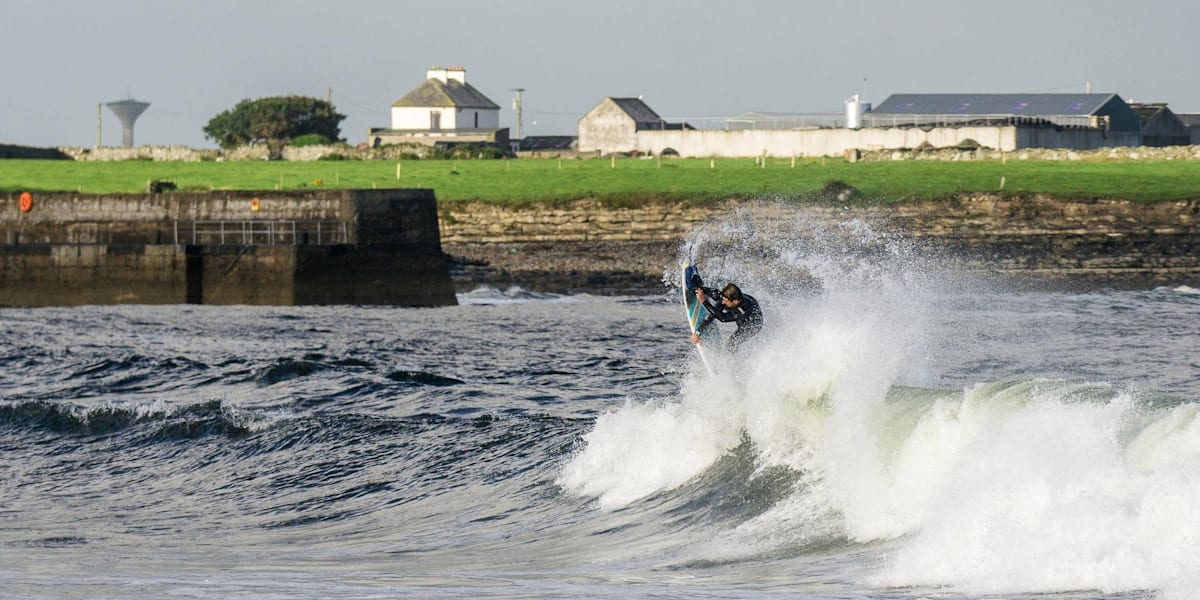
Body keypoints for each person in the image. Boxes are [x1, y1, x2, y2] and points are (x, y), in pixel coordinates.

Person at [690, 282, 763, 352]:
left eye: (725, 300)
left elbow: (723, 318)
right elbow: (715, 299)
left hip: (752, 325)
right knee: (718, 304)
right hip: (735, 306)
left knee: (731, 343)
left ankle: (728, 360)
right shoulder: (729, 297)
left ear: (735, 301)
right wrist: (699, 289)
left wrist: (704, 301)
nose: (723, 302)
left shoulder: (743, 311)